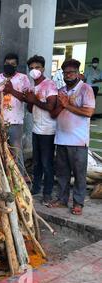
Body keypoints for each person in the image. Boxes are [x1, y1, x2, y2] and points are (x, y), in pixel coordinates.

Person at [47, 59, 96, 216]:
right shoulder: (61, 91)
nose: (68, 75)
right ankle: (62, 200)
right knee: (62, 173)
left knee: (79, 174)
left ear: (78, 73)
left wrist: (67, 105)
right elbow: (53, 114)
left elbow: (88, 112)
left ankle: (78, 203)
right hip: (61, 138)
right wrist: (62, 105)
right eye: (66, 73)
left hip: (78, 141)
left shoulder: (85, 89)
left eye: (72, 72)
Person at [0, 53, 32, 176]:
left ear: (17, 66)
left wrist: (11, 90)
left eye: (12, 64)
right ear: (3, 64)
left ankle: (20, 179)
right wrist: (2, 91)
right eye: (7, 64)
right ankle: (1, 177)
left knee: (16, 151)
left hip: (15, 122)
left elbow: (27, 98)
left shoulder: (23, 78)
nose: (9, 66)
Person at [24, 55, 59, 205]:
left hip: (48, 131)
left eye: (37, 67)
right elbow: (31, 109)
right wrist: (29, 101)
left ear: (43, 68)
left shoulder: (49, 84)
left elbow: (51, 107)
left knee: (46, 163)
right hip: (36, 129)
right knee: (37, 162)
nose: (34, 70)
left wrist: (34, 100)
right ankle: (36, 187)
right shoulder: (33, 86)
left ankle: (47, 193)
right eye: (31, 68)